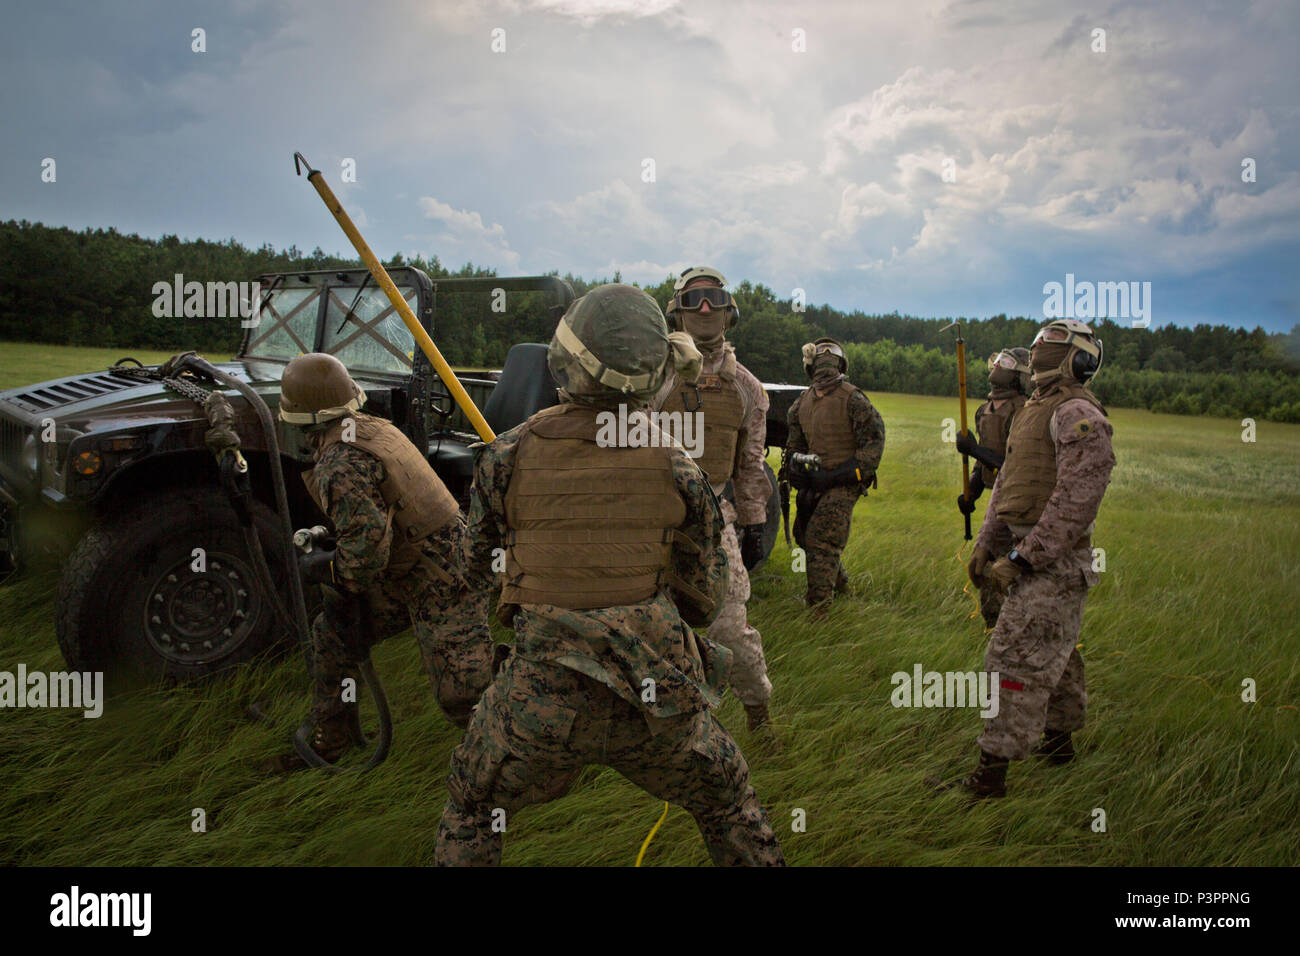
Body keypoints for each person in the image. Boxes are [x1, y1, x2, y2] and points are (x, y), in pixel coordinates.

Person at [435, 283, 784, 866]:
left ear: (565, 357)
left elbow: (473, 571)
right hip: (657, 706)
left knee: (470, 811)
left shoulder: (507, 455)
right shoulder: (678, 464)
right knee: (731, 808)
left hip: (537, 707)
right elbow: (706, 599)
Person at [269, 352, 495, 770]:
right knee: (334, 634)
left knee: (462, 693)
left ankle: (530, 740)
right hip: (415, 566)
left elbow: (367, 557)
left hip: (447, 576)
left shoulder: (340, 461)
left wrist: (327, 568)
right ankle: (330, 738)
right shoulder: (372, 428)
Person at [935, 319, 1114, 798]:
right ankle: (1059, 749)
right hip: (1024, 550)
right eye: (1039, 339)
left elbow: (1076, 502)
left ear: (1082, 359)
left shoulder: (1078, 414)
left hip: (1051, 562)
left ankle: (989, 778)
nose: (1039, 348)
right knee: (1056, 653)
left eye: (1055, 341)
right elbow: (1008, 485)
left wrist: (1022, 557)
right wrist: (987, 542)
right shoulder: (1035, 410)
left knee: (1011, 661)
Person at [652, 266, 774, 732]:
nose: (705, 307)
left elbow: (751, 464)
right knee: (651, 624)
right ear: (677, 311)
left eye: (714, 297)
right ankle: (663, 724)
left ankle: (758, 712)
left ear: (729, 312)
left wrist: (754, 522)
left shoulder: (747, 388)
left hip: (715, 513)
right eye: (694, 297)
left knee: (729, 629)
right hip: (656, 514)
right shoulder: (654, 377)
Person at [784, 338, 886, 617]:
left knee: (821, 539)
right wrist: (797, 472)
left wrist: (835, 476)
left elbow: (873, 448)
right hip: (816, 478)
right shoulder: (802, 403)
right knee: (804, 535)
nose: (825, 365)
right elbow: (794, 447)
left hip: (846, 481)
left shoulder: (854, 400)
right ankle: (841, 587)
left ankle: (819, 611)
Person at [956, 347, 1031, 627]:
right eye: (996, 360)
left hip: (1019, 504)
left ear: (1020, 374)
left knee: (1008, 572)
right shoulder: (983, 411)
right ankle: (994, 630)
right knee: (983, 570)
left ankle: (1012, 630)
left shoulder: (1024, 412)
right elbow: (983, 468)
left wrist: (974, 450)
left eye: (1007, 362)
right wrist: (971, 493)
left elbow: (1012, 466)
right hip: (996, 505)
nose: (997, 365)